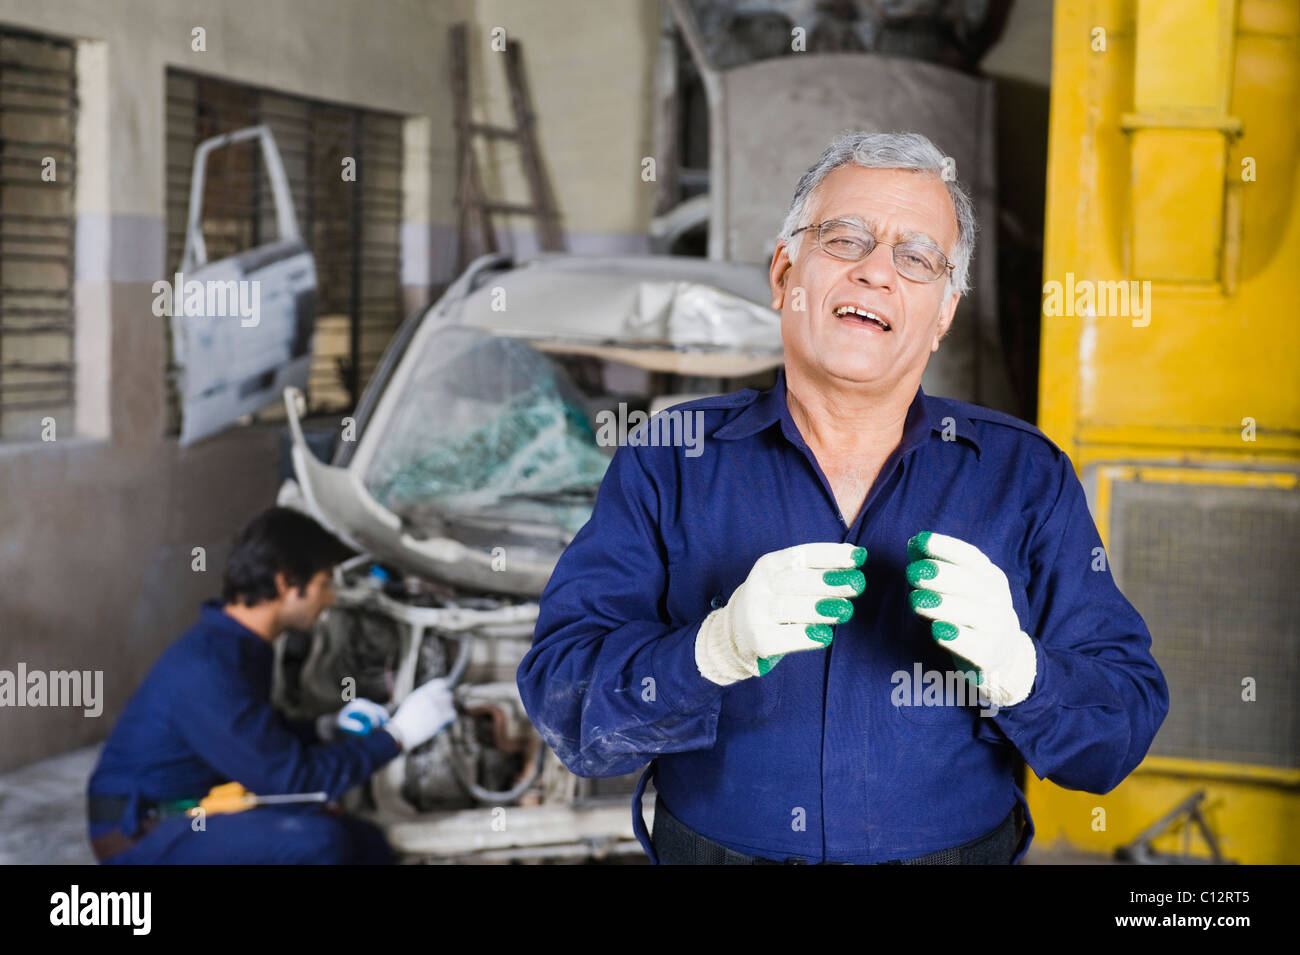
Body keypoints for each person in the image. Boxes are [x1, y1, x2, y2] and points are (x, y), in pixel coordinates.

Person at [516, 131, 1169, 865]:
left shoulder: (1024, 476)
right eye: (846, 238)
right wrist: (713, 648)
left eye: (917, 258)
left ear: (943, 316)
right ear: (783, 272)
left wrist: (1021, 669)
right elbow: (565, 706)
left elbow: (1118, 731)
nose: (877, 273)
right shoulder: (670, 459)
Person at [86, 506, 454, 864]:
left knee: (368, 843)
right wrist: (397, 736)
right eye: (324, 584)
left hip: (187, 810)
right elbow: (295, 785)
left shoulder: (241, 644)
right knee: (318, 841)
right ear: (286, 582)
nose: (331, 599)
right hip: (139, 835)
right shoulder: (210, 668)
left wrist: (324, 729)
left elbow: (256, 737)